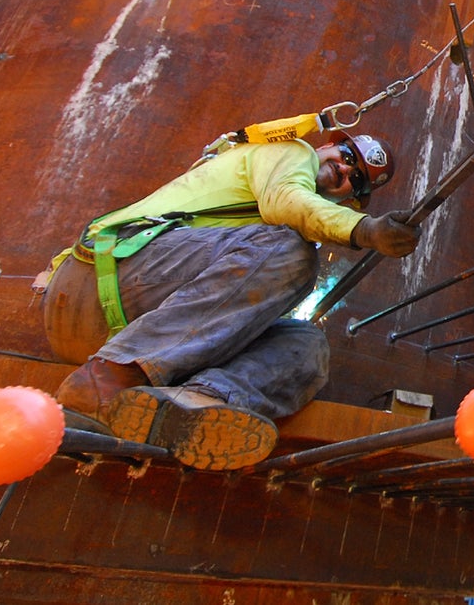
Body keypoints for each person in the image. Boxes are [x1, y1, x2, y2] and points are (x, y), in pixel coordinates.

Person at [44, 128, 420, 471]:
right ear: (325, 144)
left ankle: (191, 403)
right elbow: (287, 201)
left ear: (350, 198)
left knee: (306, 346)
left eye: (355, 180)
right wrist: (364, 230)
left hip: (140, 326)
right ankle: (101, 384)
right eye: (347, 155)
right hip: (97, 282)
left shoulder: (285, 227)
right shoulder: (290, 153)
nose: (344, 169)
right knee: (291, 250)